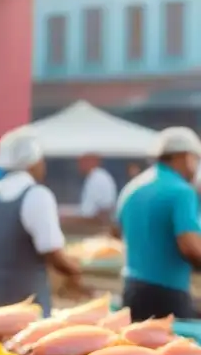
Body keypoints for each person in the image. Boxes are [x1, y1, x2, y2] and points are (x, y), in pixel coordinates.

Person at [0, 131, 83, 316]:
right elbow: (50, 249)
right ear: (34, 162)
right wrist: (75, 272)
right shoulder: (38, 195)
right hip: (27, 306)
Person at [115, 127, 201, 320]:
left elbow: (116, 230)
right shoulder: (182, 191)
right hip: (167, 294)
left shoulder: (132, 187)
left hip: (131, 289)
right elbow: (190, 246)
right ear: (184, 156)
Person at [63, 153, 118, 231]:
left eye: (83, 160)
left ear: (93, 160)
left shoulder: (99, 178)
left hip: (97, 231)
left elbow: (96, 215)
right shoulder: (93, 177)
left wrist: (66, 220)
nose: (79, 163)